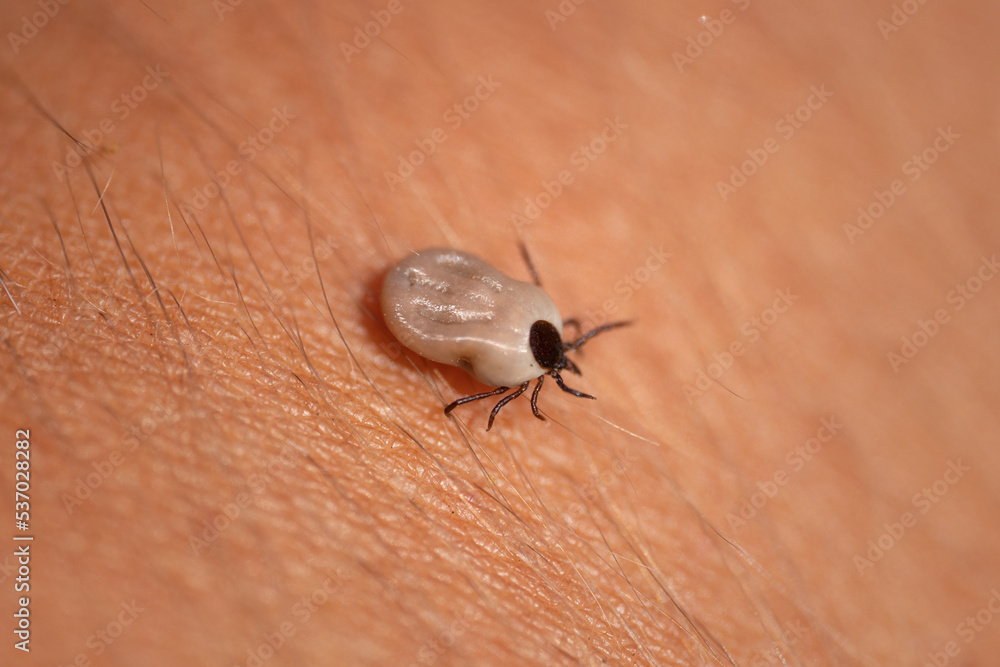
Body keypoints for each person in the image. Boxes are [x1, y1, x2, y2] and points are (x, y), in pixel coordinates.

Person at [2, 1, 996, 664]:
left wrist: (488, 371)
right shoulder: (526, 354)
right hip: (444, 306)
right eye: (567, 347)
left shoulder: (529, 330)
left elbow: (509, 312)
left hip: (448, 306)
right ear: (554, 342)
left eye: (563, 352)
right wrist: (471, 396)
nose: (563, 356)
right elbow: (500, 348)